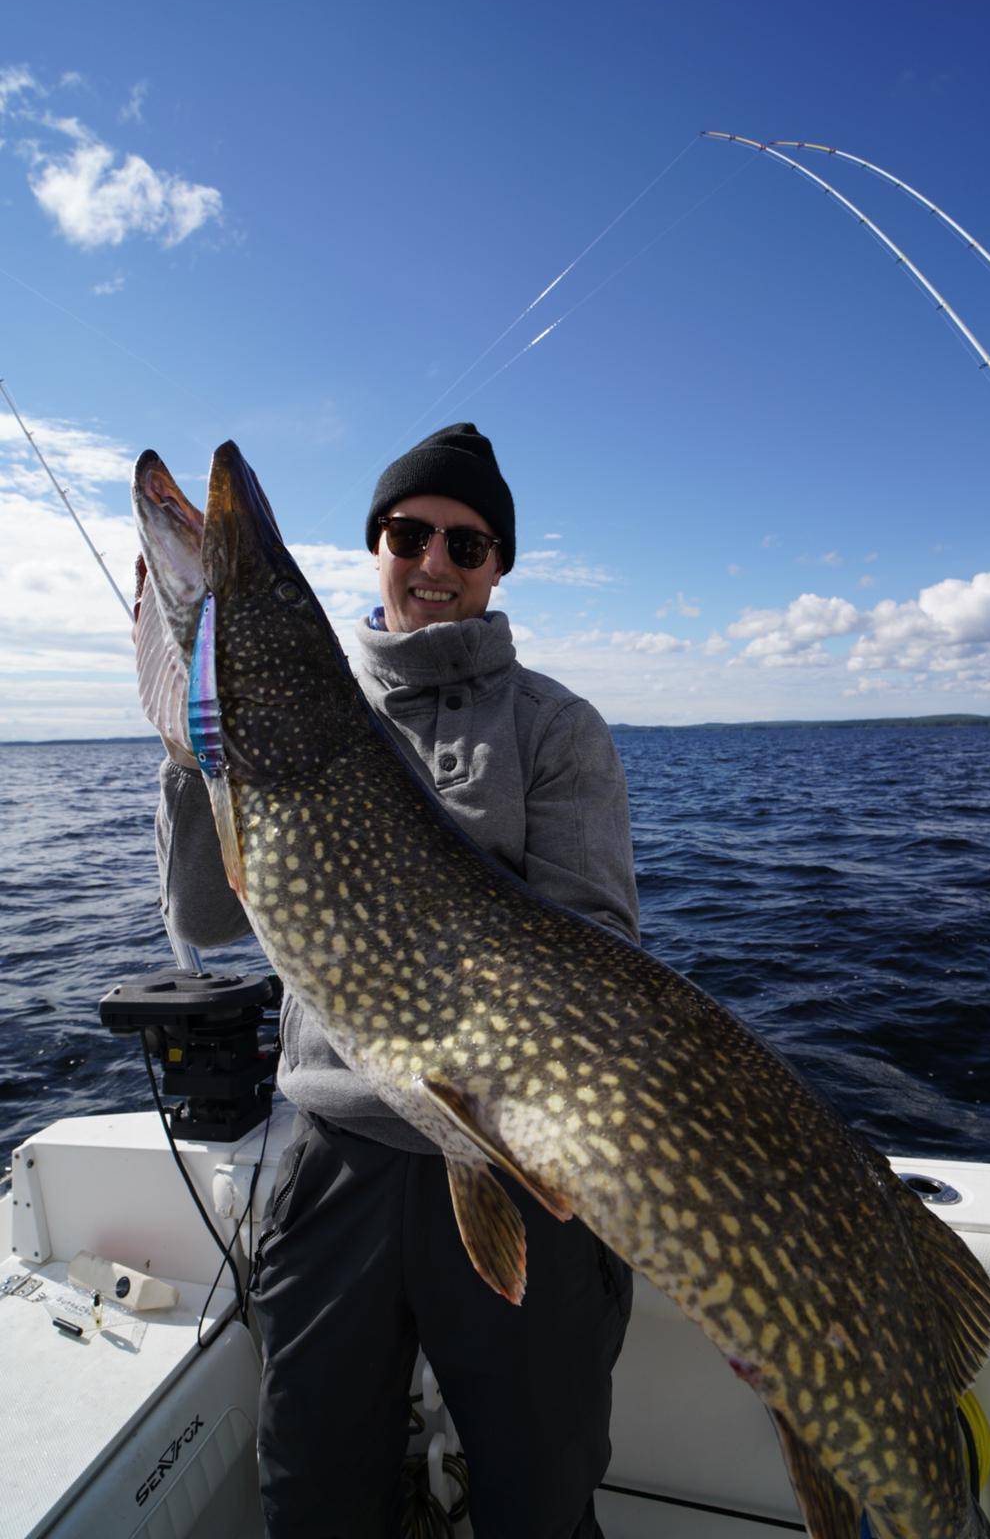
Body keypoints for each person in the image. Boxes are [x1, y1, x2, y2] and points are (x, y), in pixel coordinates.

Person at [152, 423, 640, 1539]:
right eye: (410, 533)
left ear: (498, 567)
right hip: (337, 1153)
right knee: (316, 1493)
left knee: (541, 1500)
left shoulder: (556, 730)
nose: (434, 562)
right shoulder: (307, 709)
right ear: (374, 544)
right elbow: (202, 918)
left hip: (519, 1159)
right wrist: (195, 753)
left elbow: (598, 946)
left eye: (466, 546)